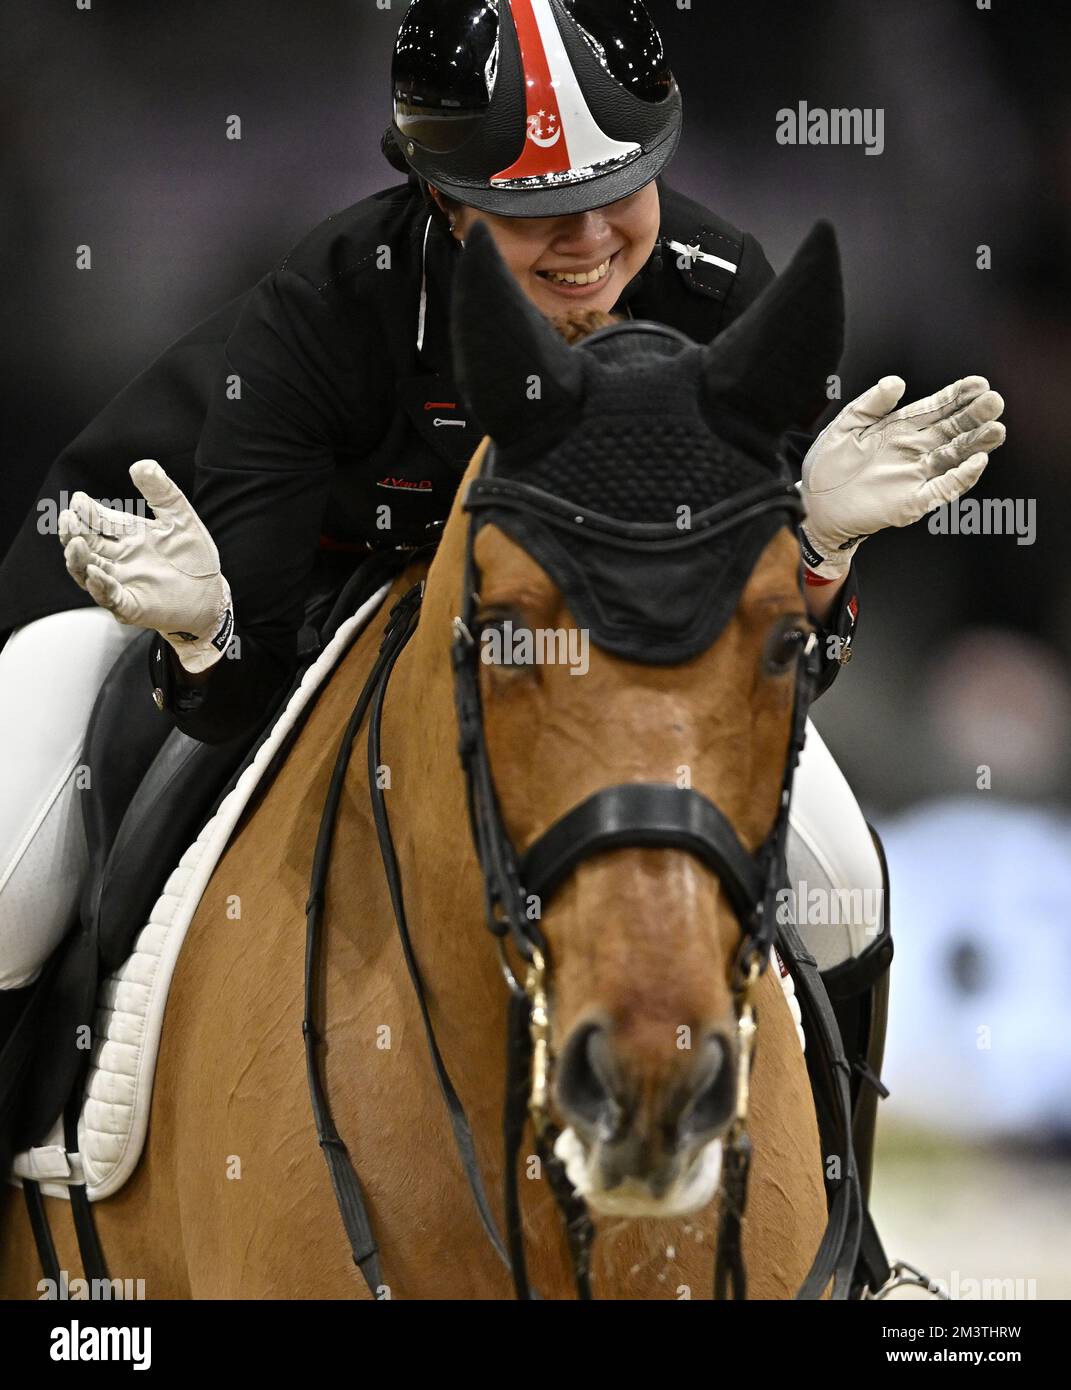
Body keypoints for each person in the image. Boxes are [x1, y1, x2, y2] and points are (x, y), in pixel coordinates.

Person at [0, 0, 1004, 1075]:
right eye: (537, 213)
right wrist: (203, 635)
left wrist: (814, 547)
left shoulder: (725, 301)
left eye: (619, 191)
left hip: (531, 629)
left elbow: (784, 679)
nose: (589, 243)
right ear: (445, 200)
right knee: (15, 870)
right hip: (175, 567)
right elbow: (241, 689)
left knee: (843, 871)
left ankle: (849, 1238)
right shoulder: (329, 311)